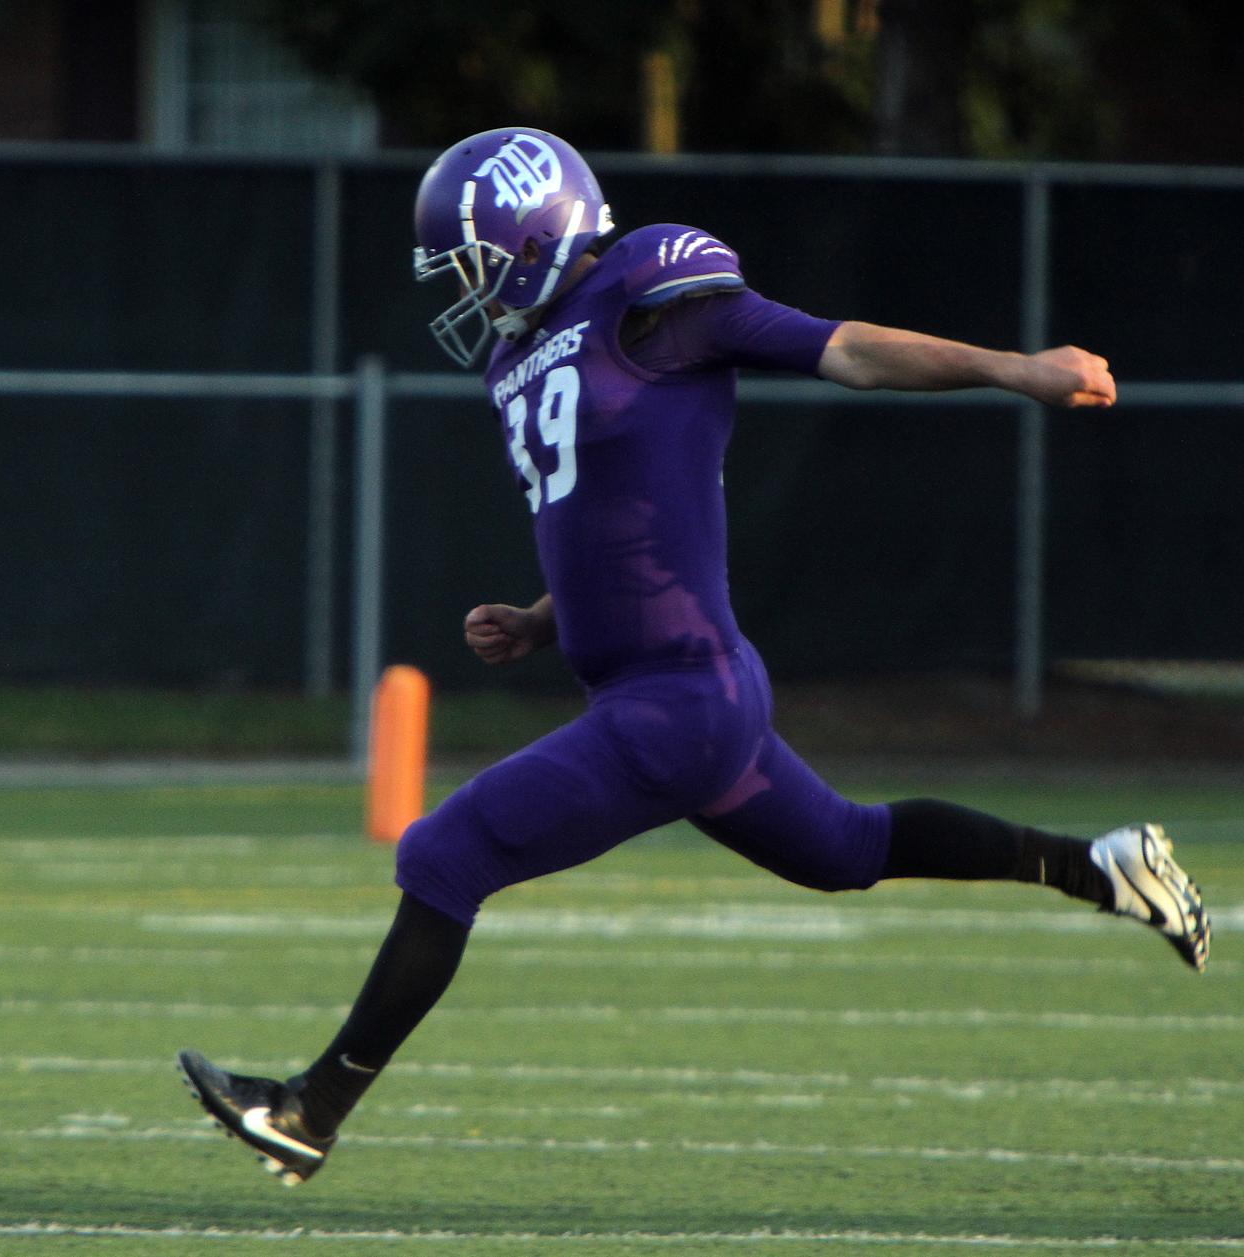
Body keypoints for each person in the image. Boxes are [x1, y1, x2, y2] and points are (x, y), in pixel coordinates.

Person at [179, 126, 1210, 1186]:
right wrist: (542, 619)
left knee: (445, 856)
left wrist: (1013, 369)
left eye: (475, 265)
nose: (469, 294)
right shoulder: (519, 354)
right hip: (677, 691)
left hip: (676, 700)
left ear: (535, 238)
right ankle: (1100, 865)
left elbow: (843, 346)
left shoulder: (653, 298)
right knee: (848, 850)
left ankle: (311, 1108)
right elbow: (615, 512)